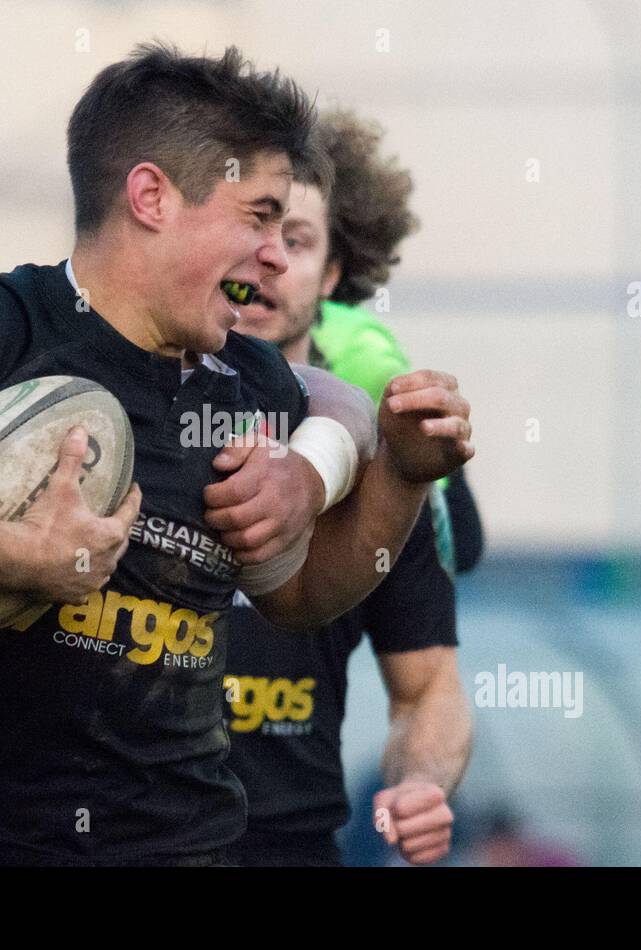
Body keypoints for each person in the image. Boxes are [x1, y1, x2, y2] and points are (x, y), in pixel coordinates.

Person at [0, 43, 476, 866]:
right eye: (257, 217)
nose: (274, 254)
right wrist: (16, 555)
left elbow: (298, 594)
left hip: (181, 849)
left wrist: (401, 476)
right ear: (152, 197)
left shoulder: (250, 378)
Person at [224, 110, 478, 866]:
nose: (268, 259)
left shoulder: (378, 455)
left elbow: (429, 687)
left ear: (332, 274)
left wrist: (421, 783)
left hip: (288, 845)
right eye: (251, 231)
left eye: (297, 240)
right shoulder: (115, 415)